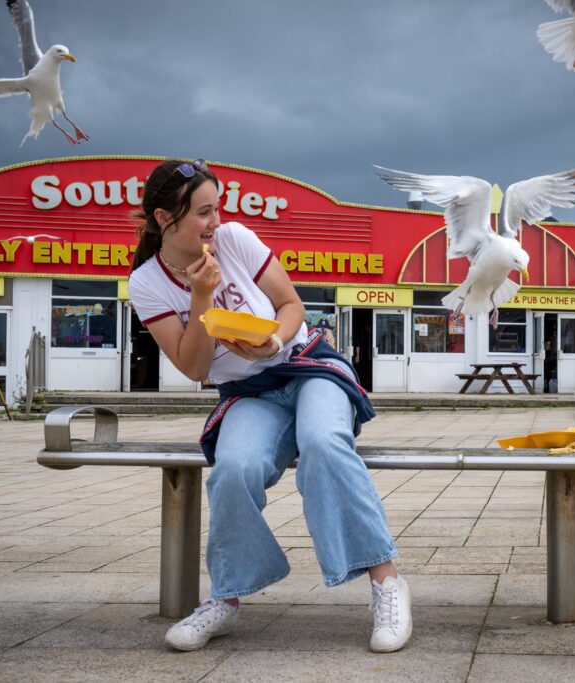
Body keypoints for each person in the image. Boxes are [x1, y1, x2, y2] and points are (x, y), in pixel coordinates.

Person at [127, 159, 411, 654]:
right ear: (162, 218)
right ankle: (226, 598)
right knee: (234, 467)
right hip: (248, 393)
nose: (215, 221)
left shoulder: (236, 239)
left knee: (323, 443)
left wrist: (274, 340)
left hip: (306, 366)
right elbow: (194, 368)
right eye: (202, 212)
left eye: (216, 208)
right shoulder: (147, 283)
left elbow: (292, 306)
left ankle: (387, 583)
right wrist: (201, 296)